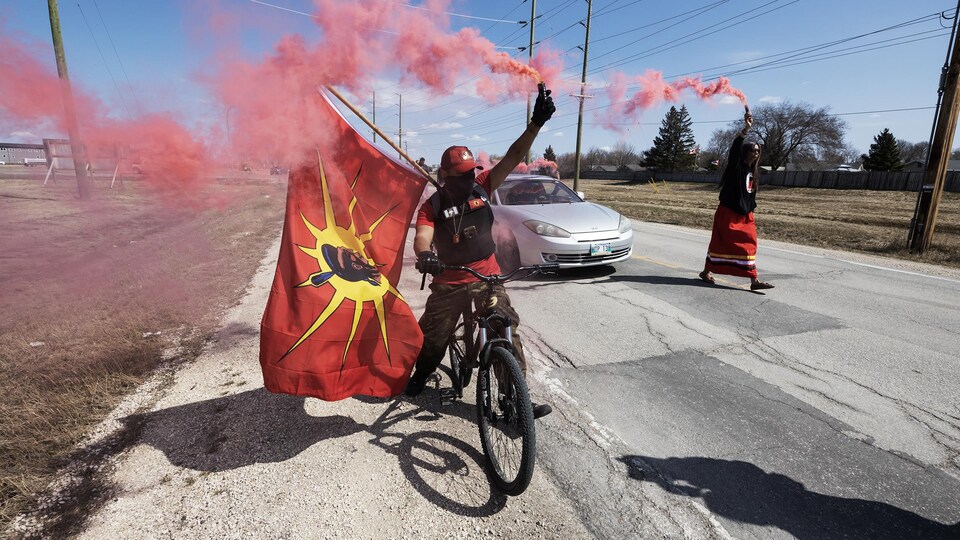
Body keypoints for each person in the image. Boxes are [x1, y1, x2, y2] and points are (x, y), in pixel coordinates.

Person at [405, 84, 556, 419]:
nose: (467, 179)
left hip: (487, 277)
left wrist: (536, 124)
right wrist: (426, 255)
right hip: (449, 282)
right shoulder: (432, 206)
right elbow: (422, 237)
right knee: (434, 337)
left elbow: (514, 156)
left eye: (470, 173)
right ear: (445, 175)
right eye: (460, 176)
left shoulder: (483, 186)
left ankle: (514, 399)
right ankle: (421, 373)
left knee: (505, 327)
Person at [699, 107, 774, 291]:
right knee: (720, 244)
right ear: (745, 152)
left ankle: (754, 280)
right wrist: (745, 130)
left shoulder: (753, 172)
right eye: (752, 150)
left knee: (750, 244)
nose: (756, 153)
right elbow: (734, 151)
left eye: (758, 151)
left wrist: (751, 210)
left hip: (746, 215)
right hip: (729, 213)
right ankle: (707, 272)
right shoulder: (736, 166)